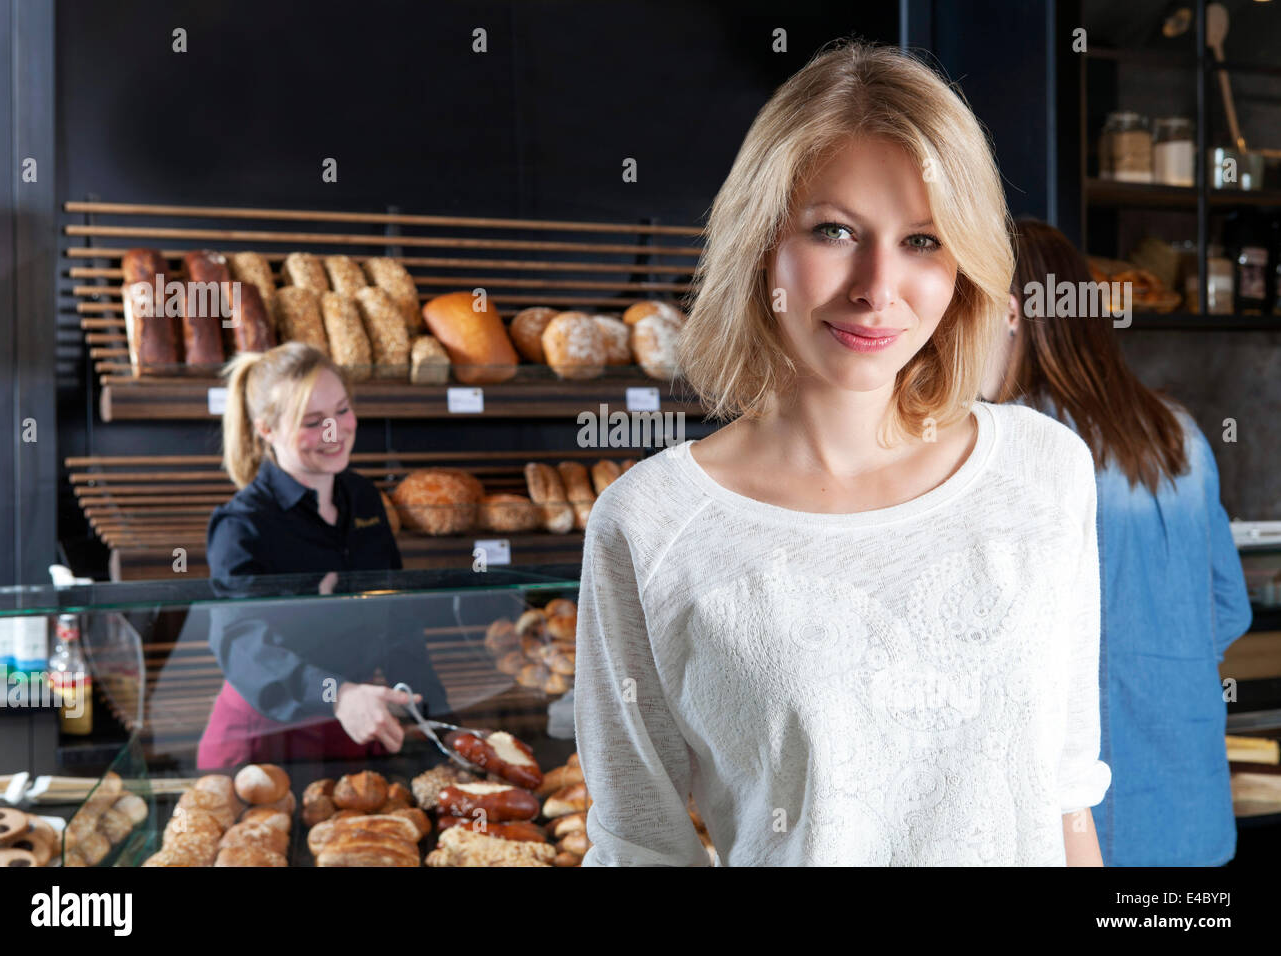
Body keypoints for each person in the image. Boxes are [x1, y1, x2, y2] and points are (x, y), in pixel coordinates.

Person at [573, 41, 1111, 866]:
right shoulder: (650, 525)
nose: (876, 286)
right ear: (761, 247)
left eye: (924, 241)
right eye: (834, 231)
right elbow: (639, 843)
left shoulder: (1045, 473)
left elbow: (1066, 803)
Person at [980, 218, 1253, 866]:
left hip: (1087, 828)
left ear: (1011, 314)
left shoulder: (1014, 443)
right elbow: (1228, 608)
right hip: (1194, 815)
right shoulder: (1179, 432)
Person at [196, 342, 448, 769]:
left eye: (342, 410)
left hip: (356, 725)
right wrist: (338, 694)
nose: (335, 432)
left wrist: (440, 725)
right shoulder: (241, 525)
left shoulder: (365, 501)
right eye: (313, 422)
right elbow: (242, 645)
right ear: (266, 430)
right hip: (265, 741)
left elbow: (397, 620)